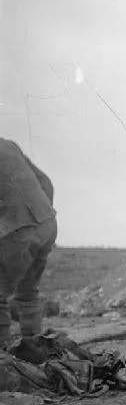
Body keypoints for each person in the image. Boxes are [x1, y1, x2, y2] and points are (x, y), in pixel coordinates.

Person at [0, 138, 58, 349]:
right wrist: (42, 217)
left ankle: (4, 360)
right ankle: (34, 353)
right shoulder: (8, 145)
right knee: (28, 293)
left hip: (21, 230)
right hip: (48, 223)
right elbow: (45, 182)